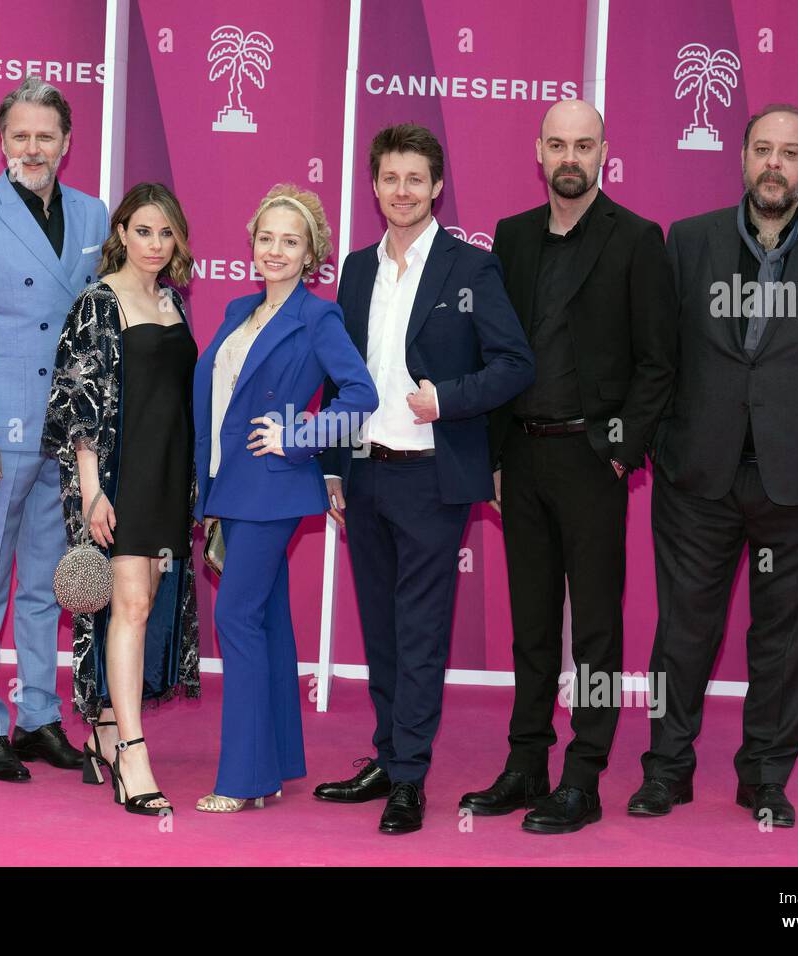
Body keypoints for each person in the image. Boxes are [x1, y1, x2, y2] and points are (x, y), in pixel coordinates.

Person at [630, 104, 798, 827]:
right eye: (762, 150)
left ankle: (765, 777)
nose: (774, 164)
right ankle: (666, 771)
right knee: (682, 632)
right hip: (695, 478)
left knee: (784, 641)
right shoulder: (688, 242)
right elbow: (657, 356)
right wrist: (658, 442)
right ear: (743, 158)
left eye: (791, 153)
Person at [460, 100, 677, 834]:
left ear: (604, 152)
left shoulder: (638, 239)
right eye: (558, 144)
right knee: (530, 627)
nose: (570, 157)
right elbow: (494, 355)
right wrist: (491, 452)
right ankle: (526, 766)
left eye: (583, 144)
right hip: (520, 454)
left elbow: (658, 361)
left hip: (593, 457)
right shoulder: (513, 237)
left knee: (596, 631)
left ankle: (583, 776)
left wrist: (622, 451)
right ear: (540, 151)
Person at [313, 124, 535, 834]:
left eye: (416, 179)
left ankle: (409, 776)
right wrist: (332, 467)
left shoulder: (471, 269)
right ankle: (387, 756)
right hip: (365, 474)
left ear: (438, 186)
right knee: (379, 629)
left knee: (419, 634)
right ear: (373, 186)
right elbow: (336, 375)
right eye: (390, 179)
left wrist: (445, 399)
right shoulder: (354, 269)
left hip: (431, 478)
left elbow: (513, 364)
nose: (402, 191)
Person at [0, 78, 109, 781]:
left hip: (68, 436)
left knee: (45, 583)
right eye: (20, 136)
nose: (32, 148)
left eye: (45, 136)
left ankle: (38, 717)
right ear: (1, 141)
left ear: (67, 144)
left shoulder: (99, 216)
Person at [192, 184, 377, 813]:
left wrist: (301, 435)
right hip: (231, 488)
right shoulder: (237, 311)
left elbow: (361, 396)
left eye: (289, 242)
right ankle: (269, 770)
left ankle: (240, 780)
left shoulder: (317, 317)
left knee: (234, 619)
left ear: (310, 254)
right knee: (265, 621)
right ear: (252, 244)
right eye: (266, 238)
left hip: (271, 490)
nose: (275, 250)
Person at [43, 183, 200, 815]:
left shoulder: (173, 303)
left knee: (140, 607)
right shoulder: (97, 302)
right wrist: (91, 491)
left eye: (166, 233)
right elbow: (77, 403)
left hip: (168, 476)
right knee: (129, 607)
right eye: (143, 231)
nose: (155, 244)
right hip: (119, 478)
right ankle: (132, 755)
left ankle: (104, 731)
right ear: (121, 234)